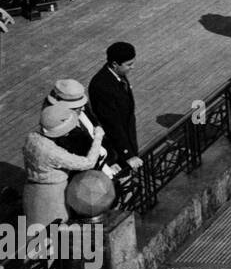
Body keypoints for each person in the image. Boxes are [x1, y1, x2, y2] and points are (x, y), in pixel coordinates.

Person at [23, 104, 106, 229]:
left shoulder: (32, 138)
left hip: (32, 189)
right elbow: (88, 163)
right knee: (54, 230)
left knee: (34, 226)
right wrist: (98, 137)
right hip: (53, 196)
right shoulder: (52, 152)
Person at [88, 41, 142, 174]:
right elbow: (112, 124)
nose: (132, 67)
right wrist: (127, 154)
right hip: (116, 147)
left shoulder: (118, 75)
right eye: (129, 64)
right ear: (115, 64)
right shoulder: (102, 86)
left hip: (127, 134)